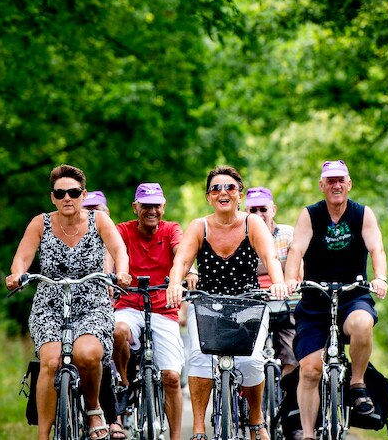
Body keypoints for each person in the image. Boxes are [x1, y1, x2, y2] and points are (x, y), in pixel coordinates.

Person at [5, 164, 132, 440]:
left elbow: (119, 249)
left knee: (87, 354)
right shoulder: (41, 223)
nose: (67, 198)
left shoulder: (99, 221)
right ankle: (42, 435)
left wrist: (122, 271)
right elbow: (23, 257)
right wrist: (16, 274)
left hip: (92, 303)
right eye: (60, 193)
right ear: (52, 197)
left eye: (73, 192)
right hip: (49, 304)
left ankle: (93, 408)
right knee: (50, 362)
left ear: (83, 195)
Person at [166, 166, 288, 440]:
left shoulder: (251, 224)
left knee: (252, 362)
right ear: (209, 197)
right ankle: (199, 427)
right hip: (208, 304)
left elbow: (270, 257)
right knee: (199, 357)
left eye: (230, 187)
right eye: (216, 188)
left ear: (239, 195)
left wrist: (278, 282)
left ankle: (256, 419)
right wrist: (175, 283)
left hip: (249, 303)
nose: (223, 192)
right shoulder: (200, 226)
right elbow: (182, 261)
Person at [284, 160, 388, 440]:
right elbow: (296, 250)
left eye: (341, 179)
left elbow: (376, 247)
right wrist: (291, 278)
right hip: (315, 299)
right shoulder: (310, 215)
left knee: (363, 323)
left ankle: (357, 384)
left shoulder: (362, 214)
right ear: (322, 185)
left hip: (352, 295)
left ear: (349, 183)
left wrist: (380, 277)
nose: (336, 185)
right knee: (309, 370)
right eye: (330, 181)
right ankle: (307, 434)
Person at [108, 183, 185, 440]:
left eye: (156, 205)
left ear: (163, 207)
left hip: (163, 307)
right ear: (135, 207)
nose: (151, 210)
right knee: (118, 331)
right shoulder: (123, 230)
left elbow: (182, 253)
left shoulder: (172, 229)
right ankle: (122, 380)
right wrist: (113, 278)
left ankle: (175, 437)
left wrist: (186, 274)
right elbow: (114, 255)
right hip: (129, 304)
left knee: (172, 376)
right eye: (146, 206)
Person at [246, 186, 299, 377]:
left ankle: (288, 395)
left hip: (285, 308)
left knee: (293, 352)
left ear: (273, 210)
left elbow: (298, 265)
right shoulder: (241, 238)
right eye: (253, 210)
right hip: (252, 308)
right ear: (246, 212)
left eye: (263, 209)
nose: (259, 214)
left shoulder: (287, 234)